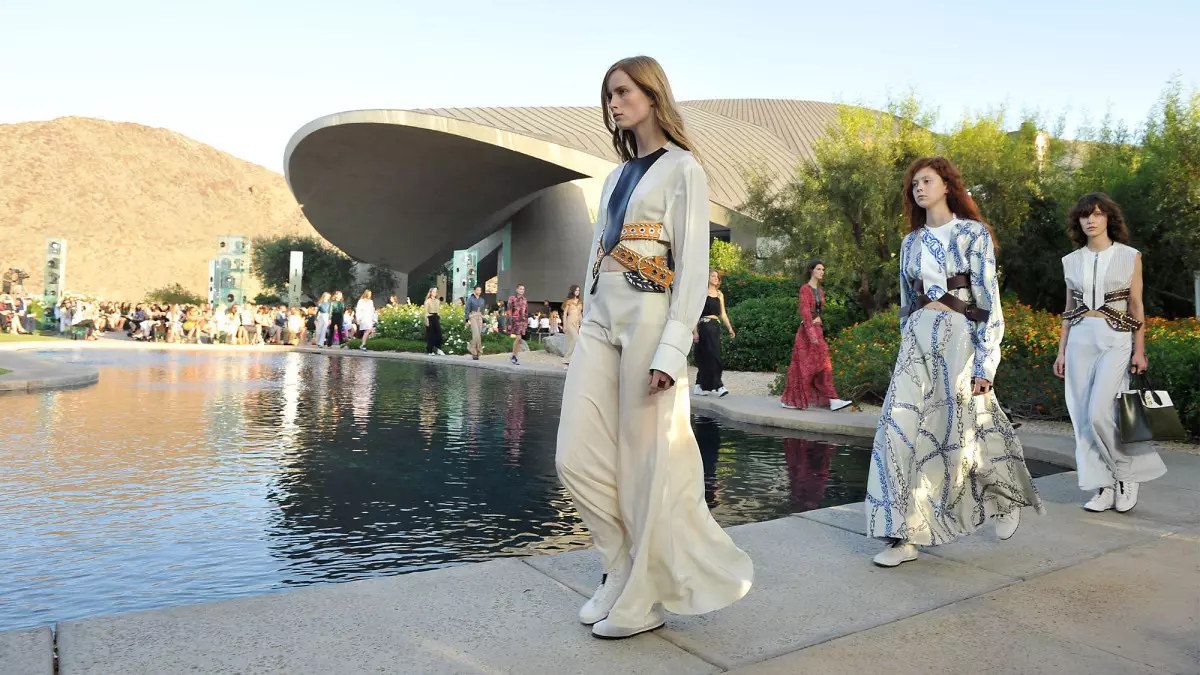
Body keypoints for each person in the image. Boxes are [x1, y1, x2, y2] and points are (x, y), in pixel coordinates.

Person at [555, 56, 753, 640]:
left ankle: (642, 598)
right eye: (608, 95)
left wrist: (672, 350)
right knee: (573, 454)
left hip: (649, 320)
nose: (613, 104)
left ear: (650, 93)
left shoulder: (684, 168)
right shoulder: (614, 177)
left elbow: (692, 268)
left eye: (621, 92)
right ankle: (619, 565)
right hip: (599, 322)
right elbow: (596, 251)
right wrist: (584, 319)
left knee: (645, 467)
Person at [866, 156, 1043, 567]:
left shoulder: (972, 234)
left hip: (959, 339)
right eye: (913, 185)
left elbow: (989, 301)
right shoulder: (910, 243)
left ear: (947, 185)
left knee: (964, 430)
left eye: (926, 181)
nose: (918, 189)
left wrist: (986, 364)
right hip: (915, 344)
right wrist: (908, 342)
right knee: (897, 433)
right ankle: (902, 536)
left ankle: (1002, 499)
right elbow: (906, 304)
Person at [1054, 193, 1165, 512]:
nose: (1090, 220)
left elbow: (1136, 305)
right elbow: (1069, 309)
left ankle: (1126, 475)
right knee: (1082, 418)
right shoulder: (1071, 261)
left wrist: (1139, 350)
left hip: (1116, 338)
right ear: (1078, 221)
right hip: (1079, 340)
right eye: (1084, 215)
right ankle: (1103, 486)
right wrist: (1061, 351)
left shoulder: (1130, 256)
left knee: (1101, 413)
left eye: (1098, 214)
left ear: (1109, 219)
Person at [780, 260, 853, 411]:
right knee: (803, 366)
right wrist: (811, 331)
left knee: (824, 365)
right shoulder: (804, 289)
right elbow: (805, 311)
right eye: (819, 269)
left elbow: (817, 311)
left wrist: (817, 325)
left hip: (817, 330)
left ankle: (833, 399)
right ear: (811, 271)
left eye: (823, 269)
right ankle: (793, 400)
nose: (822, 272)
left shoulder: (820, 291)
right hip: (807, 333)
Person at [692, 270, 735, 397]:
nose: (715, 278)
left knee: (713, 356)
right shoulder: (701, 293)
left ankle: (699, 385)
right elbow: (695, 314)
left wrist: (730, 328)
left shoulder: (720, 294)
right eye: (713, 276)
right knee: (709, 356)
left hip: (715, 327)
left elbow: (723, 314)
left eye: (717, 277)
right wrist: (695, 332)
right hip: (704, 326)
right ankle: (719, 386)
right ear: (708, 278)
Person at [506, 284, 528, 366]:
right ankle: (514, 356)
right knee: (518, 338)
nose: (522, 290)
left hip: (522, 322)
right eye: (520, 289)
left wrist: (526, 323)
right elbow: (509, 311)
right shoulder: (512, 298)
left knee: (519, 339)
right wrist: (509, 323)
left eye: (523, 289)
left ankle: (514, 356)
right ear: (517, 290)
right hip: (514, 321)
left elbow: (526, 312)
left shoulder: (525, 300)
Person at [561, 285, 583, 365]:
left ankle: (570, 360)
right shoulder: (568, 301)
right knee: (575, 338)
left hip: (577, 323)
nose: (577, 292)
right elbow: (565, 313)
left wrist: (582, 324)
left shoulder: (580, 302)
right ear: (573, 291)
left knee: (572, 341)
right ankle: (567, 359)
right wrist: (564, 325)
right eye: (576, 290)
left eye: (579, 290)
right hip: (570, 322)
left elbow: (580, 314)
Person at [466, 285, 486, 360]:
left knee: (479, 335)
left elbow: (483, 311)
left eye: (480, 290)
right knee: (476, 335)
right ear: (474, 290)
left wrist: (484, 322)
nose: (479, 292)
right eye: (477, 290)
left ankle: (477, 351)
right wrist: (466, 320)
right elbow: (467, 309)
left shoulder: (482, 300)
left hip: (480, 317)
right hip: (473, 316)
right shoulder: (470, 299)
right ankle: (473, 350)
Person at [423, 287, 445, 355]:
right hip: (430, 317)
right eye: (434, 292)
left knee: (439, 334)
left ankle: (438, 348)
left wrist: (439, 317)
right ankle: (430, 350)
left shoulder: (437, 301)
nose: (435, 293)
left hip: (436, 317)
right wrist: (426, 320)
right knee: (430, 335)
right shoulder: (427, 301)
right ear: (431, 292)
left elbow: (438, 311)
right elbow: (426, 312)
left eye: (436, 292)